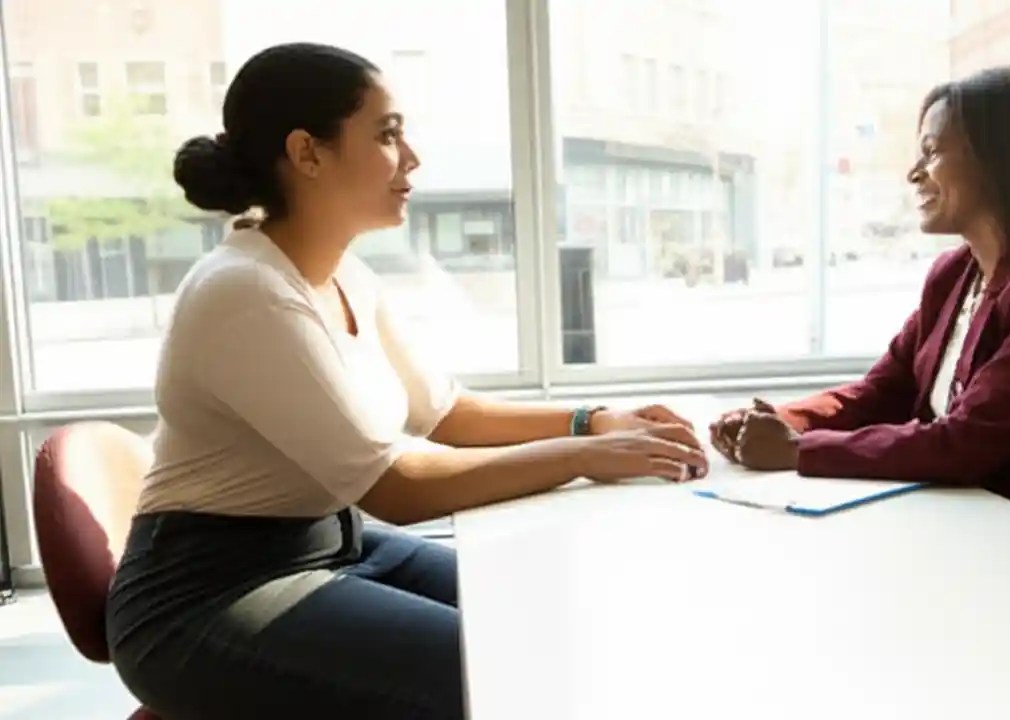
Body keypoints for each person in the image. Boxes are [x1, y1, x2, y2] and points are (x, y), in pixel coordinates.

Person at [105, 42, 707, 720]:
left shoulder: (342, 275)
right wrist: (584, 456)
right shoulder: (247, 291)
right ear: (307, 153)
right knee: (506, 673)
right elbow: (397, 487)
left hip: (331, 546)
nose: (412, 157)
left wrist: (592, 422)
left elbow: (446, 413)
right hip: (204, 597)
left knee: (547, 610)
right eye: (387, 134)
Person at [710, 66, 1010, 571]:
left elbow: (966, 442)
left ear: (1000, 159)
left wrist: (799, 450)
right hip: (994, 540)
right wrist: (784, 420)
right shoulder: (955, 274)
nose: (914, 172)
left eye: (932, 151)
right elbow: (884, 391)